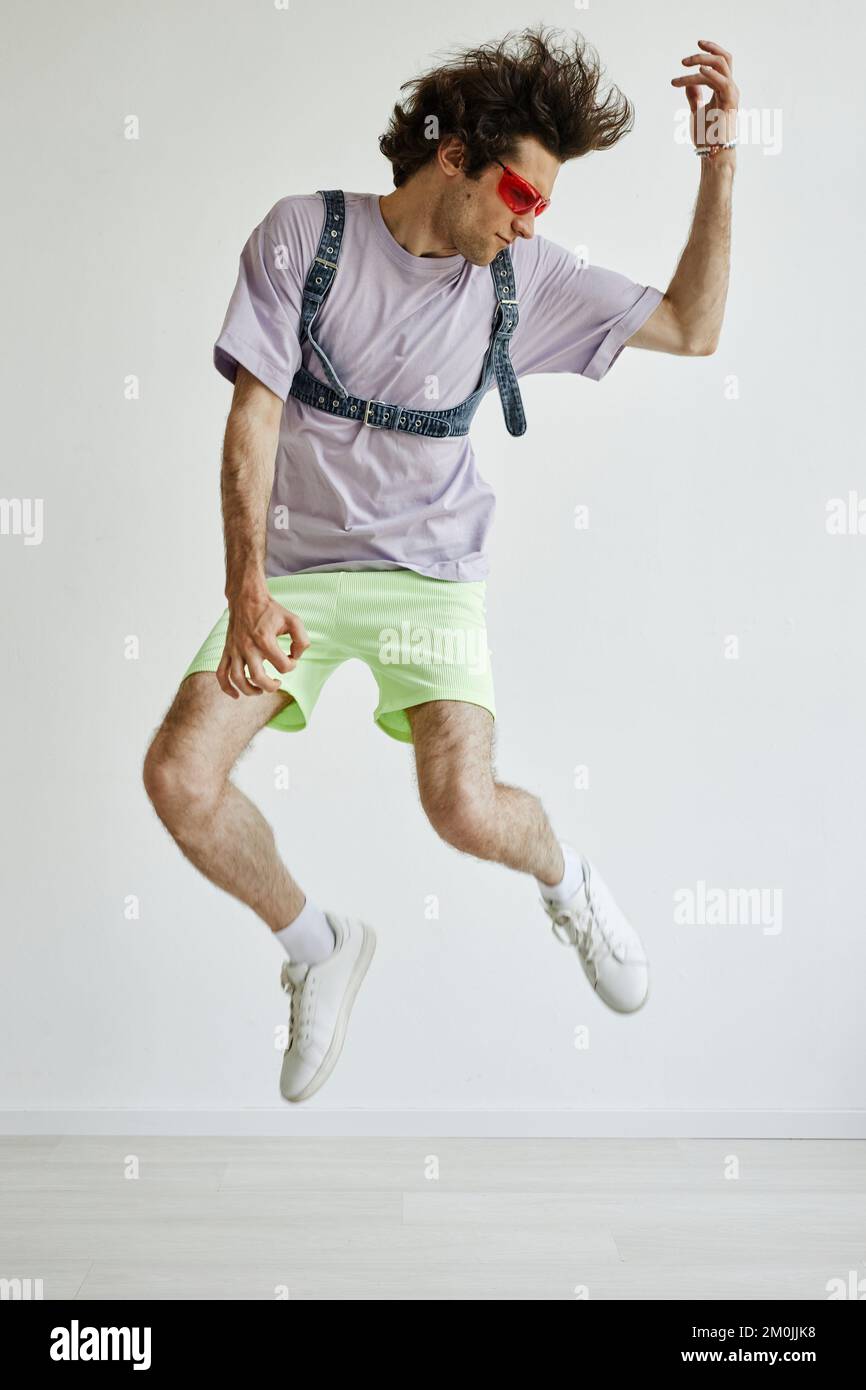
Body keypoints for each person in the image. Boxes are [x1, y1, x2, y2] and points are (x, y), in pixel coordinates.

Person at [143, 27, 738, 1103]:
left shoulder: (522, 279)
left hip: (430, 571)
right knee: (180, 776)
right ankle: (319, 943)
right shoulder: (302, 237)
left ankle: (570, 884)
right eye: (520, 194)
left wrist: (719, 164)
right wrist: (245, 588)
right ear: (452, 158)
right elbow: (253, 417)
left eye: (543, 206)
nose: (530, 223)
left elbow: (693, 328)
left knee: (461, 807)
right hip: (298, 574)